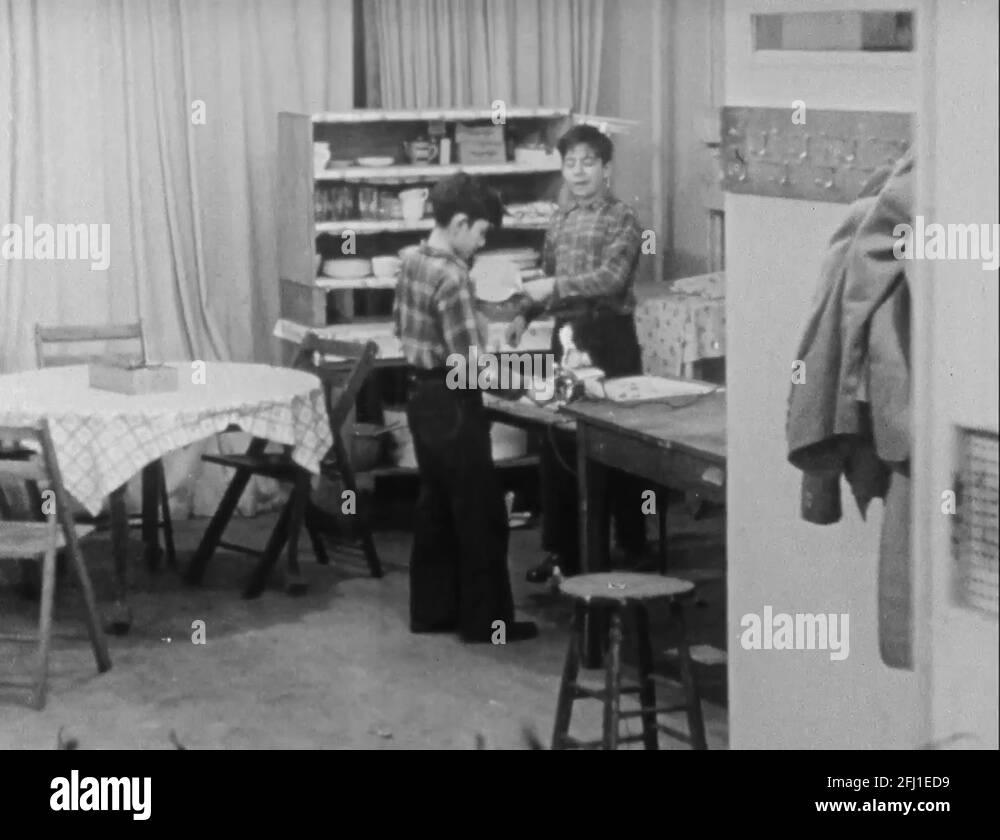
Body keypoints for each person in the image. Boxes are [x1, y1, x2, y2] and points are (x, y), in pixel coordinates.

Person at [393, 173, 538, 643]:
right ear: (458, 223)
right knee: (480, 513)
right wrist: (528, 383)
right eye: (479, 233)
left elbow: (408, 331)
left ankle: (433, 612)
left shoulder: (412, 259)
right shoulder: (452, 277)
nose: (480, 244)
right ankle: (488, 623)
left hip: (419, 396)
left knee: (435, 505)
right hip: (453, 402)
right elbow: (469, 367)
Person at [506, 124, 649, 583]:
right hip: (564, 337)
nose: (579, 171)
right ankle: (561, 550)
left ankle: (629, 546)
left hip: (609, 339)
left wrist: (555, 287)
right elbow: (546, 278)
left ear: (606, 168)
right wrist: (524, 313)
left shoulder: (622, 218)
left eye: (589, 161)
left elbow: (612, 279)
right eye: (571, 162)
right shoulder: (559, 219)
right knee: (556, 441)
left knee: (617, 444)